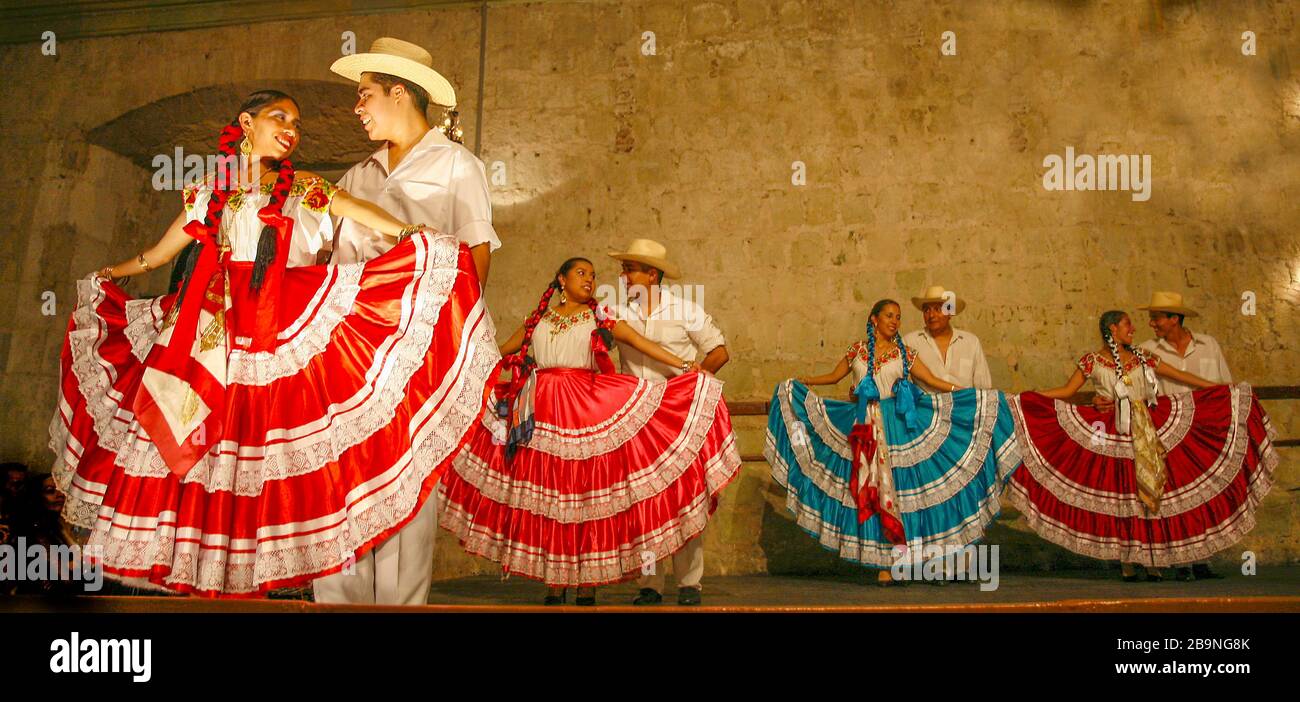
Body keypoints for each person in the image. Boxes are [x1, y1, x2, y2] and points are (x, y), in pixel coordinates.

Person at [47, 90, 499, 597]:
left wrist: (420, 237)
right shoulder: (205, 192)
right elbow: (156, 256)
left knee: (268, 453)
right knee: (204, 448)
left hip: (278, 330)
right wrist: (108, 275)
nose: (292, 128)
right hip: (208, 333)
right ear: (246, 123)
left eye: (297, 123)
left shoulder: (305, 187)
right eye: (279, 117)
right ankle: (204, 575)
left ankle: (315, 580)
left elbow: (366, 214)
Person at [312, 37, 503, 606]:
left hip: (417, 342)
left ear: (400, 92)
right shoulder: (355, 175)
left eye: (365, 94)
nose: (357, 107)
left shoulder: (456, 166)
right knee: (339, 476)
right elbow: (322, 253)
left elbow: (476, 254)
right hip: (347, 345)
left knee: (407, 479)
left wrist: (446, 341)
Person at [437, 258, 743, 605]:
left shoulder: (603, 317)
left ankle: (587, 583)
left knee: (582, 497)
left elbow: (642, 344)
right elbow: (498, 352)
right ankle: (555, 580)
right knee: (548, 495)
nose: (590, 279)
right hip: (542, 412)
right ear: (561, 280)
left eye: (593, 275)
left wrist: (687, 367)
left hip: (584, 408)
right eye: (581, 273)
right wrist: (458, 362)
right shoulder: (538, 319)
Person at [764, 299, 1022, 586]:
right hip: (862, 425)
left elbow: (935, 381)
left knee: (899, 493)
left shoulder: (905, 353)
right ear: (874, 319)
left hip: (897, 429)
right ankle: (884, 564)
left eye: (898, 317)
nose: (894, 321)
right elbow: (835, 376)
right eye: (889, 316)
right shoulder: (858, 350)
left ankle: (910, 561)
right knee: (871, 491)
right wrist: (805, 380)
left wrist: (969, 394)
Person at [1008, 310, 1278, 582]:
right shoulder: (1091, 361)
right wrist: (1027, 397)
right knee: (1124, 496)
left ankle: (1151, 560)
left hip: (1147, 430)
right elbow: (1067, 391)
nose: (1133, 329)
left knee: (1150, 492)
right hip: (1113, 433)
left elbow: (1183, 378)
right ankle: (1128, 561)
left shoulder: (1142, 356)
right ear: (1113, 329)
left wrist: (1223, 389)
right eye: (1128, 324)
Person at [609, 239, 727, 606]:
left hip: (676, 416)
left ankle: (689, 583)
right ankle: (650, 583)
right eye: (625, 268)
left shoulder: (685, 310)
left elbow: (720, 350)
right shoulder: (619, 313)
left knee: (683, 497)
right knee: (642, 499)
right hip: (634, 416)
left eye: (630, 269)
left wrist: (693, 382)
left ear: (652, 274)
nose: (624, 275)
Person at [903, 285, 993, 391]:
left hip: (965, 406)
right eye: (927, 310)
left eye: (938, 309)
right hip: (927, 406)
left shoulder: (971, 343)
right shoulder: (910, 342)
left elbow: (984, 387)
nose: (931, 315)